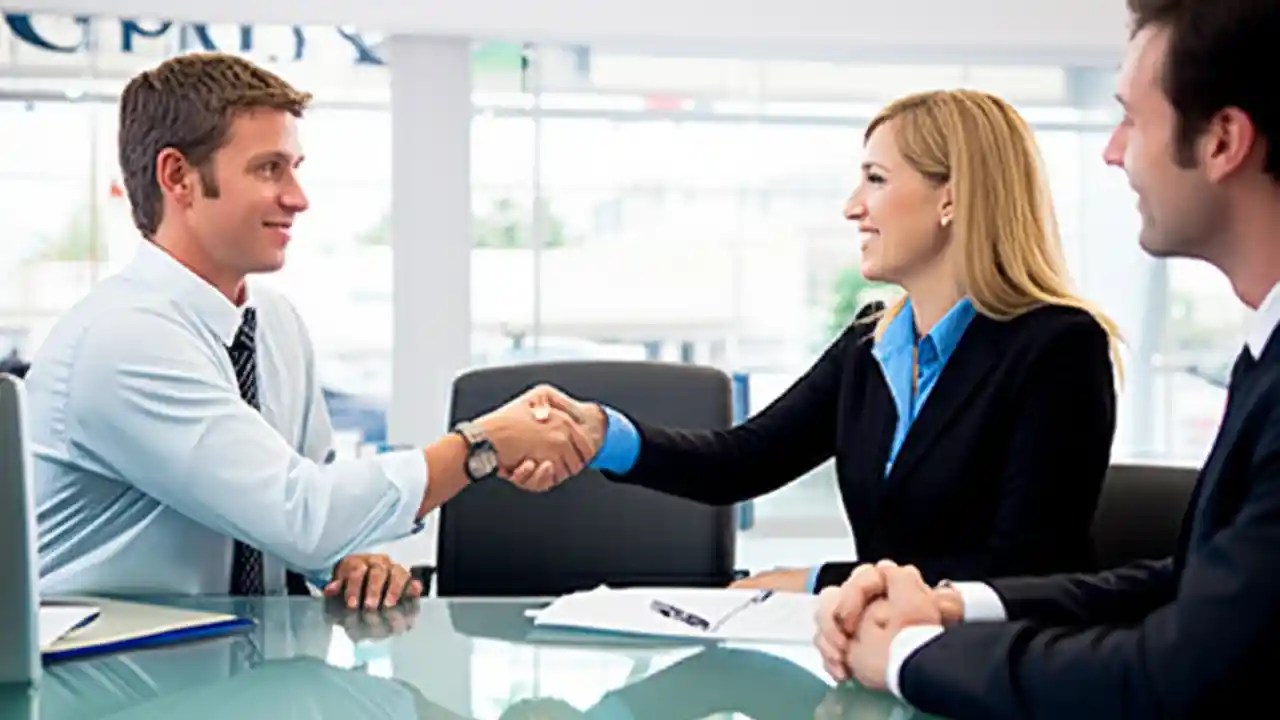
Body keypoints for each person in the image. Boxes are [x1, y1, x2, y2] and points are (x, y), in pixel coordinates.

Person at [814, 0, 1280, 717]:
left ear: (1222, 141)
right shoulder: (1263, 361)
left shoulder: (1062, 344)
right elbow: (1192, 583)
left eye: (1132, 118)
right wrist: (950, 607)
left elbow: (1179, 673)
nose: (1112, 150)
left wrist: (908, 653)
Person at [29, 52, 596, 608]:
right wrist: (481, 445)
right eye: (268, 168)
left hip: (241, 671)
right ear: (178, 177)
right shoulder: (122, 339)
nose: (298, 199)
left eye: (294, 168)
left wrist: (342, 558)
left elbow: (300, 508)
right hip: (102, 683)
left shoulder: (272, 323)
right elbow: (300, 511)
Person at [510, 88, 1121, 593]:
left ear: (951, 198)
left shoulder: (1057, 347)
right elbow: (741, 461)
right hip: (887, 662)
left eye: (876, 179)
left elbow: (1024, 573)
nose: (853, 207)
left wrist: (813, 582)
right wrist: (601, 436)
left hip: (998, 675)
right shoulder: (870, 345)